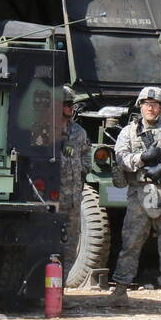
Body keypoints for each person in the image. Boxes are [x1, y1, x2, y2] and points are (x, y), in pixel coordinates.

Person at [107, 86, 161, 309]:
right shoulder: (129, 131)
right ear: (140, 106)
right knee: (130, 243)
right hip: (139, 194)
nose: (150, 108)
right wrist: (142, 158)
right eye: (146, 104)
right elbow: (121, 158)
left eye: (155, 104)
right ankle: (121, 290)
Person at [58, 90, 93, 287]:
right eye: (67, 104)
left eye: (72, 105)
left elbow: (86, 156)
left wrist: (82, 170)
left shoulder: (79, 132)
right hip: (51, 202)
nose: (71, 108)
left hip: (73, 200)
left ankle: (59, 288)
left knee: (70, 247)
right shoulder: (45, 130)